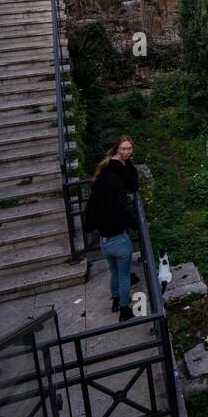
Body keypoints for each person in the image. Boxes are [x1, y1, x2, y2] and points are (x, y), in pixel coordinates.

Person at [84, 136, 141, 321]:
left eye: (129, 149)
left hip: (104, 241)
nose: (126, 152)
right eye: (123, 149)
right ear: (117, 149)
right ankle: (125, 311)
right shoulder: (115, 180)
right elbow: (132, 187)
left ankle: (115, 301)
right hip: (119, 240)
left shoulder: (104, 175)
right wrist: (136, 224)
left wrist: (127, 161)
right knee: (124, 276)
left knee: (114, 272)